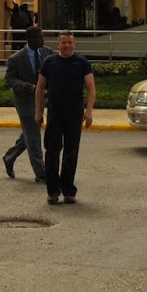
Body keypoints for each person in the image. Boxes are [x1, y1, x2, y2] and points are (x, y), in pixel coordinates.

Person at [35, 30, 95, 205]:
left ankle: (68, 190)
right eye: (64, 43)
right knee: (52, 152)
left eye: (70, 42)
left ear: (74, 44)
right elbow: (40, 88)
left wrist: (89, 111)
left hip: (75, 114)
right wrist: (38, 111)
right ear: (58, 44)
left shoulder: (82, 63)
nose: (67, 45)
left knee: (71, 153)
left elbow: (91, 88)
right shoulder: (49, 62)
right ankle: (53, 191)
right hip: (54, 113)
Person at [2, 26, 47, 183]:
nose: (43, 40)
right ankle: (41, 173)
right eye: (40, 37)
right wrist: (24, 86)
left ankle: (9, 157)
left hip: (41, 99)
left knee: (28, 134)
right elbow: (9, 79)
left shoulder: (47, 52)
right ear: (30, 40)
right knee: (33, 136)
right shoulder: (16, 58)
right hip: (25, 101)